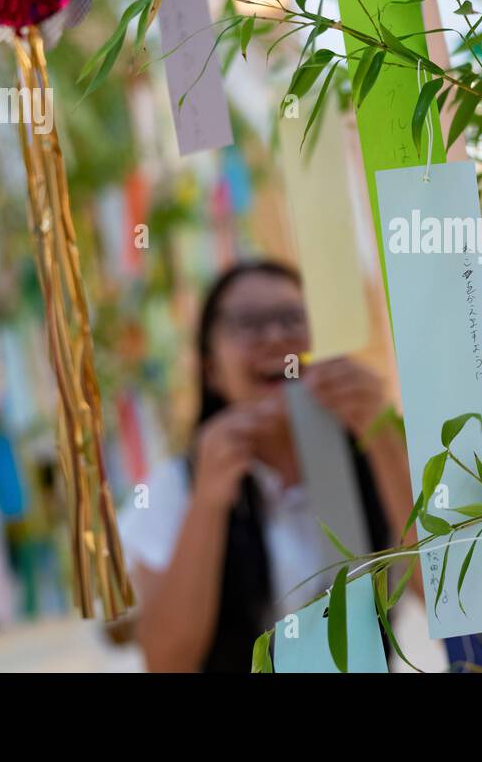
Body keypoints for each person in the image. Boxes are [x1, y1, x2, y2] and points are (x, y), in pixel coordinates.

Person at [120, 260, 417, 672]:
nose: (276, 337)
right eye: (247, 324)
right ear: (211, 370)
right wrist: (207, 502)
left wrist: (381, 435)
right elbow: (166, 660)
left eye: (292, 318)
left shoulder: (370, 456)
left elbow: (447, 598)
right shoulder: (174, 488)